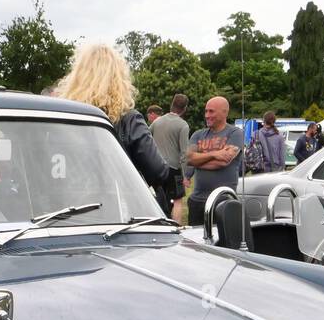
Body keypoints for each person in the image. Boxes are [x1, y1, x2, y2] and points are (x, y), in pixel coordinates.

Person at [55, 43, 171, 193]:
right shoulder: (129, 120)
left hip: (69, 206)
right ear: (119, 77)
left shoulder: (63, 118)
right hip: (118, 208)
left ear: (78, 76)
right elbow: (158, 172)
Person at [184, 96, 244, 225]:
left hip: (222, 200)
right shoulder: (198, 134)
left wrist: (198, 161)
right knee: (196, 241)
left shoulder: (235, 133)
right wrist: (216, 153)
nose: (206, 115)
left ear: (224, 112)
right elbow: (188, 159)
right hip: (197, 201)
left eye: (211, 111)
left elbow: (223, 162)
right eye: (206, 111)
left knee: (221, 242)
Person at [150, 93, 191, 222]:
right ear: (184, 109)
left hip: (156, 167)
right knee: (177, 201)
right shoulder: (183, 125)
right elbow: (184, 153)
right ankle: (176, 228)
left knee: (156, 198)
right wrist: (186, 176)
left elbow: (147, 137)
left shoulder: (157, 122)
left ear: (171, 105)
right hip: (174, 170)